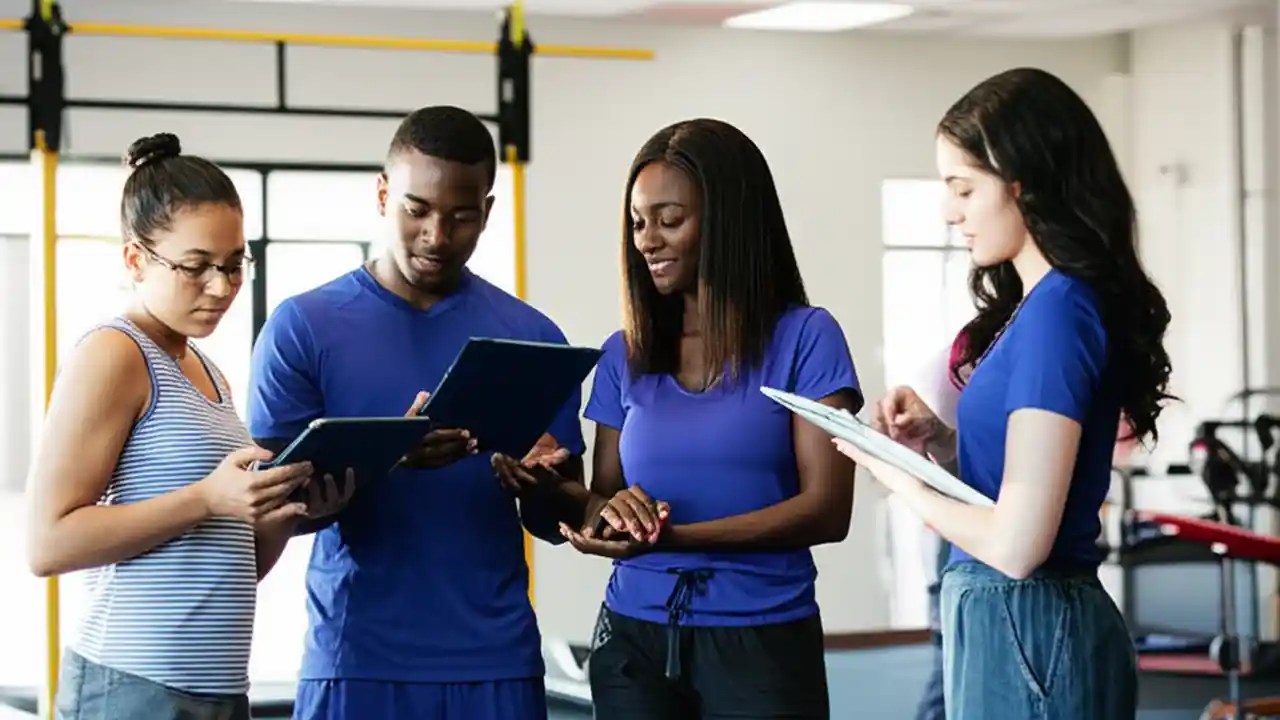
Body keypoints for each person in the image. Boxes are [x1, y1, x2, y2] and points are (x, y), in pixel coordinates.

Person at [833, 67, 1174, 719]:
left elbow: (1019, 546)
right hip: (1011, 620)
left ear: (1026, 186)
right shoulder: (1037, 306)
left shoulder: (1060, 313)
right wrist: (936, 443)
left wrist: (890, 472)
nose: (948, 209)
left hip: (1031, 625)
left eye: (963, 188)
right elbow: (1021, 485)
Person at [245, 105, 584, 720]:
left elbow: (553, 517)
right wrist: (388, 460)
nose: (436, 235)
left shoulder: (534, 338)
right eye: (416, 210)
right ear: (382, 195)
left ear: (487, 210)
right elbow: (270, 511)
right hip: (357, 659)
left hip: (495, 658)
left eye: (460, 216)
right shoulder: (303, 328)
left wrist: (542, 484)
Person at [523, 118, 861, 719]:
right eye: (637, 222)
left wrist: (671, 539)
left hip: (760, 640)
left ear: (729, 221)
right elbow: (605, 498)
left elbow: (828, 510)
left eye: (669, 219)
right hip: (633, 639)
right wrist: (579, 500)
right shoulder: (623, 354)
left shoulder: (807, 338)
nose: (646, 240)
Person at [25, 133, 342, 720]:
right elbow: (47, 544)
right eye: (196, 267)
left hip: (217, 690)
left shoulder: (207, 370)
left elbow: (220, 563)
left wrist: (285, 514)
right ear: (134, 259)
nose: (221, 287)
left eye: (233, 265)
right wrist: (205, 498)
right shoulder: (114, 354)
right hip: (132, 687)